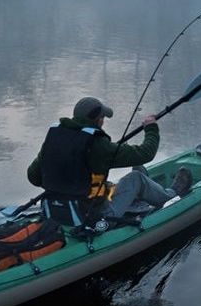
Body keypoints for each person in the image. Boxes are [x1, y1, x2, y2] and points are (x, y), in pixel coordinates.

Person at [27, 96, 192, 226]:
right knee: (136, 178)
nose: (103, 121)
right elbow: (146, 153)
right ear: (98, 120)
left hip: (55, 212)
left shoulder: (56, 138)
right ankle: (171, 195)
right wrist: (151, 128)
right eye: (102, 118)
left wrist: (64, 183)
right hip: (94, 217)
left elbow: (33, 177)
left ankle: (139, 194)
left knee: (125, 175)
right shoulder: (97, 144)